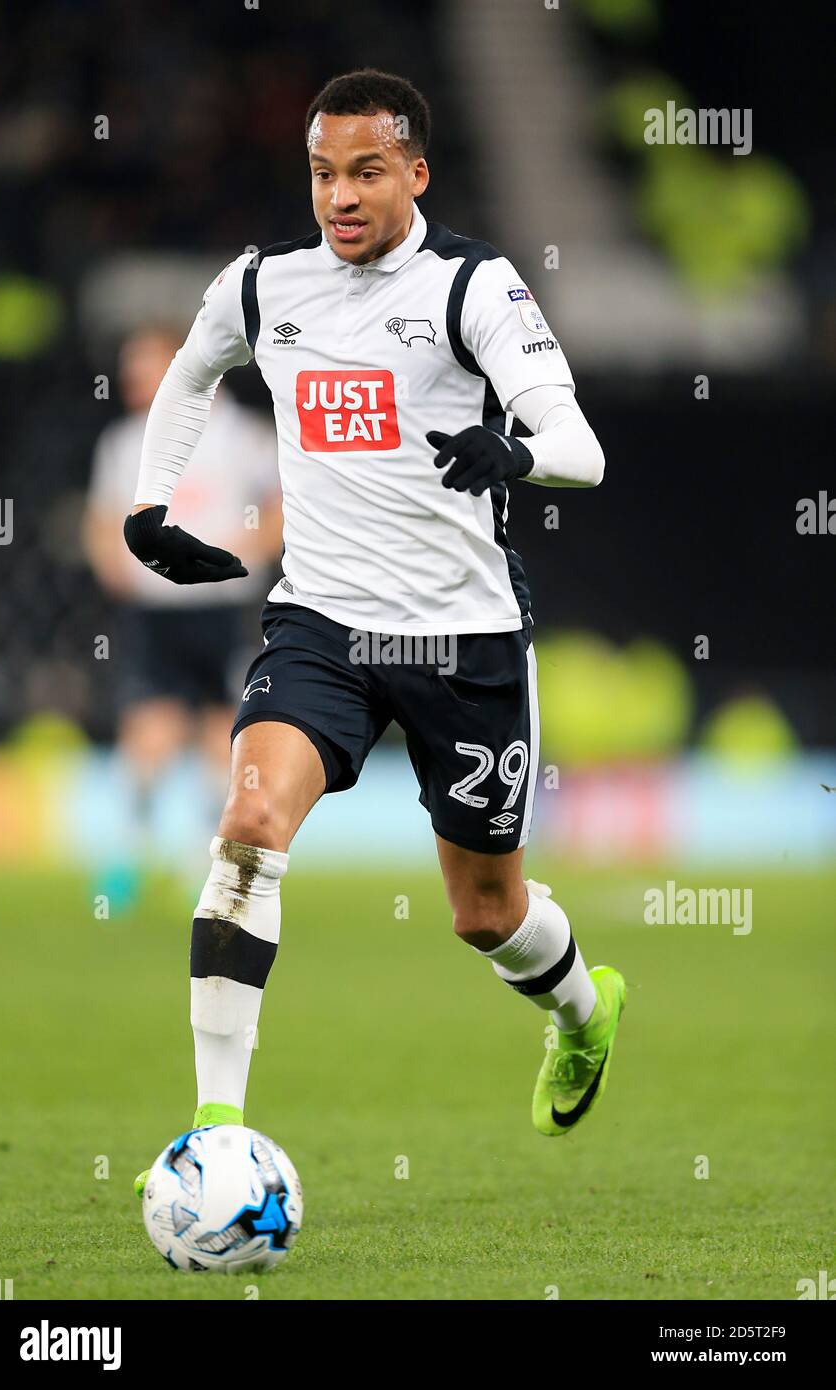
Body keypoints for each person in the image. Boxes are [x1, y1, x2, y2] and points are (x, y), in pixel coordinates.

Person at [125, 69, 626, 1195]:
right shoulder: (265, 285)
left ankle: (582, 1015)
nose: (338, 196)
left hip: (463, 637)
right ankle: (214, 1132)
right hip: (323, 624)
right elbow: (190, 375)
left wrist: (517, 451)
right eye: (320, 172)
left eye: (363, 172)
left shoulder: (474, 288)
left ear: (415, 172)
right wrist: (148, 506)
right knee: (249, 823)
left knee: (482, 912)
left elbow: (580, 443)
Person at [84, 326, 283, 905]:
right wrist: (111, 561)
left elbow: (280, 509)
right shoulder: (122, 443)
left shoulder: (241, 435)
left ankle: (206, 853)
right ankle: (129, 849)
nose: (129, 380)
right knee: (149, 726)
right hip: (156, 609)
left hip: (224, 607)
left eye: (141, 366)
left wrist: (243, 551)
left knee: (224, 730)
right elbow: (102, 519)